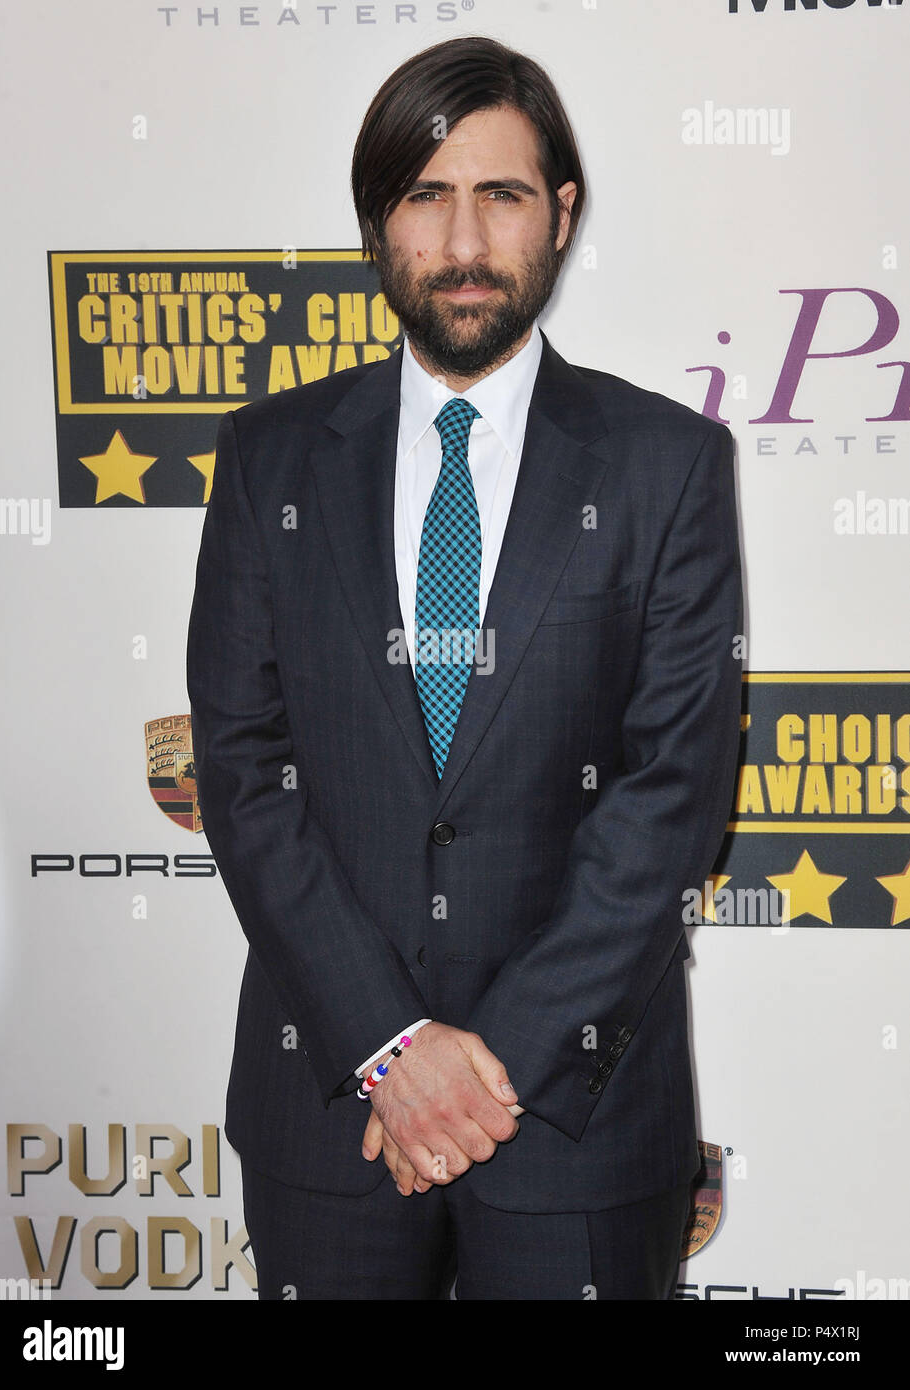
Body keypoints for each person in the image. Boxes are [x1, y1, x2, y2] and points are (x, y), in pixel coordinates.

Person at [186, 34, 743, 1301]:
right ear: (379, 224)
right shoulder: (270, 458)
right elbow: (240, 763)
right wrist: (390, 1044)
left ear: (561, 213)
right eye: (423, 196)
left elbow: (671, 800)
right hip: (329, 1104)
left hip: (578, 1117)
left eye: (499, 194)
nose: (462, 240)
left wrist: (486, 1065)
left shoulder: (666, 466)